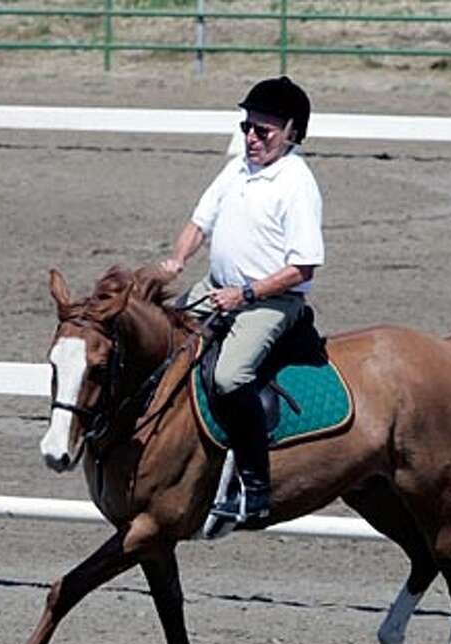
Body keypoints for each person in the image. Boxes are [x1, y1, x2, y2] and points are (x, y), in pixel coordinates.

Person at [160, 75, 324, 527]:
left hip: (269, 301)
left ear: (291, 131)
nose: (251, 138)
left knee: (231, 377)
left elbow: (303, 268)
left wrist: (245, 293)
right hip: (217, 288)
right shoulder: (237, 168)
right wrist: (176, 259)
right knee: (162, 338)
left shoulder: (296, 183)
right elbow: (199, 222)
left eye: (262, 131)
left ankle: (253, 486)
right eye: (246, 128)